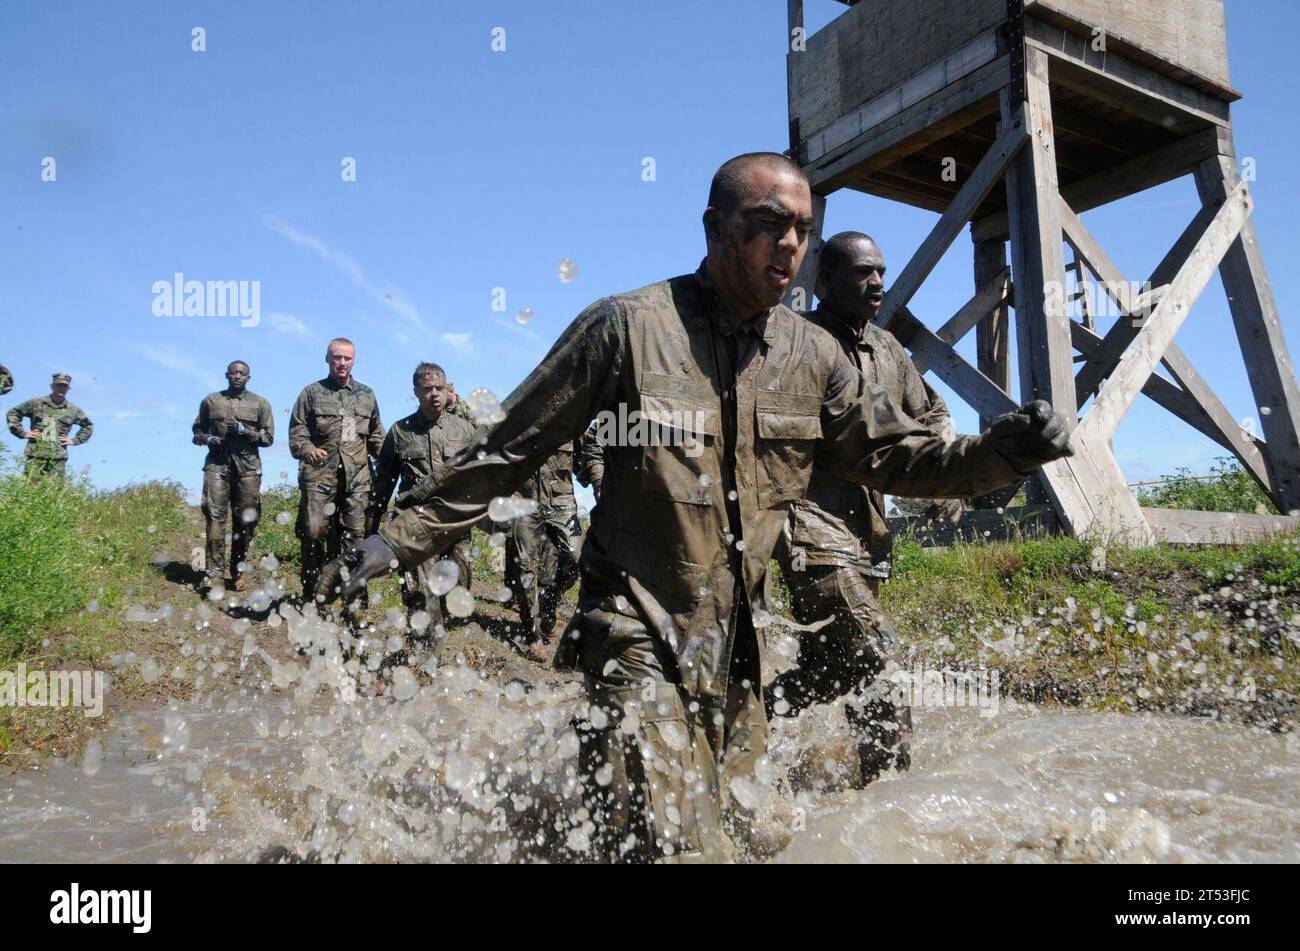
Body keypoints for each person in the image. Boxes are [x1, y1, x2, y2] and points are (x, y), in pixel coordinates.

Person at [315, 152, 1072, 862]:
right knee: (681, 842)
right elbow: (506, 449)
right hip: (634, 630)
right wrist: (396, 539)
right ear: (715, 228)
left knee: (749, 834)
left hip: (736, 649)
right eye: (768, 224)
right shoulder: (628, 329)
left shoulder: (814, 358)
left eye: (802, 229)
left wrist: (1000, 452)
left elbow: (892, 454)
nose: (790, 244)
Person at [769, 231, 956, 785]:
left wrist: (948, 474)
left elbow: (930, 412)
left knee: (832, 668)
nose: (876, 282)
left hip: (868, 534)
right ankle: (887, 793)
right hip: (807, 525)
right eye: (861, 272)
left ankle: (737, 722)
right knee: (877, 656)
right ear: (824, 283)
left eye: (880, 271)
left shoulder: (890, 350)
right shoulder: (793, 343)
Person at [369, 362, 476, 633]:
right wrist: (373, 525)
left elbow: (479, 475)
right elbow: (384, 482)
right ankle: (424, 652)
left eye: (440, 388)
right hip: (414, 521)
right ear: (416, 391)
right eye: (427, 389)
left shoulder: (465, 430)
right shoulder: (399, 432)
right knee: (421, 591)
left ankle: (444, 629)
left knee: (457, 584)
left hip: (454, 520)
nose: (435, 394)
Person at [288, 338, 385, 600]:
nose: (342, 363)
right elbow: (297, 431)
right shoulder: (311, 393)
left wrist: (390, 460)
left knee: (355, 538)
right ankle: (312, 591)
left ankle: (353, 598)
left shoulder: (366, 395)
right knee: (314, 533)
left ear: (354, 360)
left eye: (347, 358)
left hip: (357, 480)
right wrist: (308, 449)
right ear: (327, 359)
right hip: (320, 477)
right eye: (337, 357)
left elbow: (376, 435)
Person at [191, 361, 274, 591]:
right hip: (218, 465)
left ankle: (238, 570)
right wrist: (208, 439)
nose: (237, 376)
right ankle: (214, 572)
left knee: (246, 520)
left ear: (249, 377)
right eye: (234, 373)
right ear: (226, 375)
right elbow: (197, 432)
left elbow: (268, 438)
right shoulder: (211, 401)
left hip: (247, 468)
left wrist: (244, 431)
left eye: (242, 373)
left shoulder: (260, 403)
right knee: (215, 516)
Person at [504, 444, 581, 645]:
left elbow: (587, 459)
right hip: (524, 501)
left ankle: (548, 608)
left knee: (575, 558)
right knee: (525, 568)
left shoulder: (574, 421)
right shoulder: (524, 418)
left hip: (561, 502)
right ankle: (532, 634)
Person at [7, 373, 93, 479]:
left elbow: (88, 426)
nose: (61, 388)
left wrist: (74, 440)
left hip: (57, 458)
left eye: (64, 386)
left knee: (55, 491)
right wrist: (22, 433)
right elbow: (13, 413)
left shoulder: (73, 410)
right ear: (52, 386)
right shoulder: (36, 403)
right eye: (59, 385)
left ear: (68, 388)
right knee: (30, 490)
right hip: (35, 454)